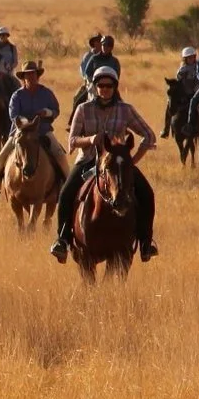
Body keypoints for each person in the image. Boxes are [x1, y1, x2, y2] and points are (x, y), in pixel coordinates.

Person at [51, 65, 159, 263]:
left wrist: (132, 161)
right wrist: (90, 139)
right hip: (88, 160)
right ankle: (63, 240)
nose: (105, 89)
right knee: (66, 193)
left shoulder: (125, 110)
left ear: (115, 86)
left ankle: (145, 242)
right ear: (95, 87)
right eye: (101, 85)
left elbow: (149, 135)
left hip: (118, 164)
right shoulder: (83, 109)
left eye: (109, 85)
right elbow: (72, 141)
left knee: (147, 193)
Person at [0, 60, 69, 204]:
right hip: (20, 133)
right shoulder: (17, 96)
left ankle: (66, 190)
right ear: (23, 78)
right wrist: (26, 122)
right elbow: (14, 115)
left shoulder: (46, 93)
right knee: (1, 157)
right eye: (28, 75)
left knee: (60, 155)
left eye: (33, 74)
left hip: (43, 131)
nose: (31, 77)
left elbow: (56, 110)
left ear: (38, 76)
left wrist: (47, 112)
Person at [74, 34, 121, 106]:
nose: (106, 47)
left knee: (121, 104)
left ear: (112, 47)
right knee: (78, 102)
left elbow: (117, 76)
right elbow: (87, 73)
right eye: (104, 45)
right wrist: (92, 83)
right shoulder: (93, 58)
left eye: (108, 46)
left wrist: (111, 85)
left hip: (110, 86)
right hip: (94, 85)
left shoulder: (115, 61)